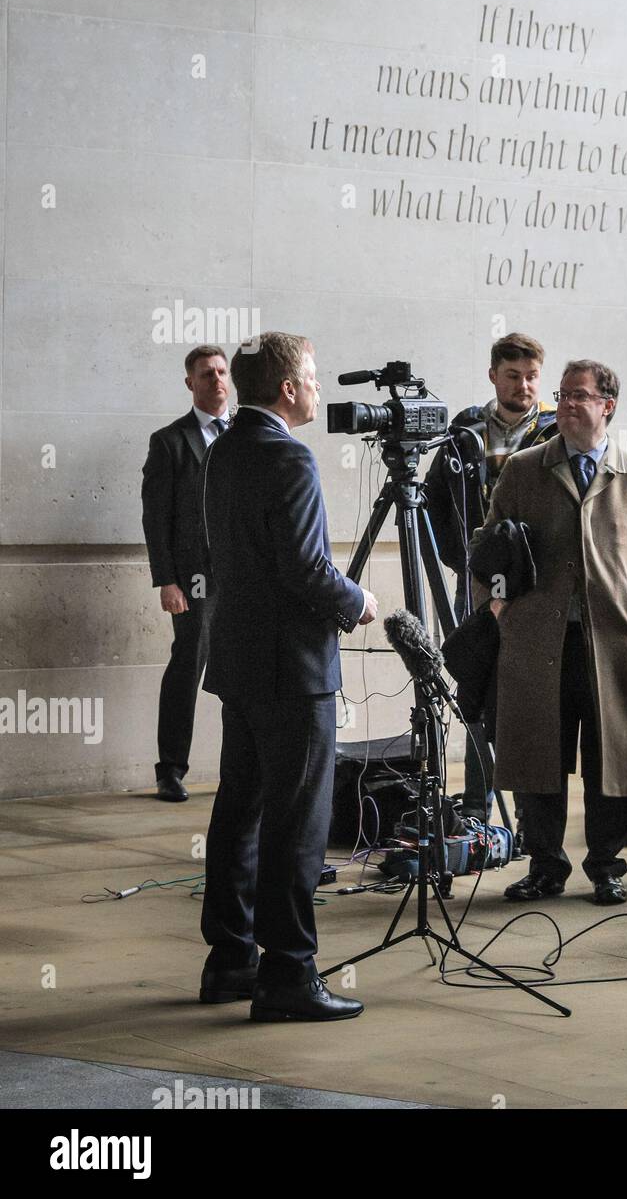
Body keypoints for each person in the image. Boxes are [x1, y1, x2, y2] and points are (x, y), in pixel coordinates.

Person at [199, 332, 378, 1022]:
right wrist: (357, 602)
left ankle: (230, 958)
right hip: (290, 670)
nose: (317, 386)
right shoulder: (289, 457)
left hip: (239, 663)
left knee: (239, 812)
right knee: (298, 824)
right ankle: (289, 974)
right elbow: (304, 568)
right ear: (288, 390)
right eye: (311, 375)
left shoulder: (224, 450)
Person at [476, 359, 627, 906]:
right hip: (538, 642)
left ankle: (606, 866)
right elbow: (487, 549)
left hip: (613, 642)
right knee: (537, 754)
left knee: (613, 758)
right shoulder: (522, 469)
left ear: (607, 405)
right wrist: (501, 610)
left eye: (577, 395)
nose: (563, 403)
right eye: (561, 395)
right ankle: (544, 865)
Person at [424, 331, 557, 822]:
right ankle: (478, 805)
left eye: (531, 377)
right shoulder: (464, 431)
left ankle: (528, 817)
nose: (523, 386)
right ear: (493, 376)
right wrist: (459, 559)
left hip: (534, 584)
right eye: (513, 376)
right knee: (476, 684)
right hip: (477, 580)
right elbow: (434, 498)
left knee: (526, 697)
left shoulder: (553, 430)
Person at [141, 345, 232, 802]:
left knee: (248, 670)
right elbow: (156, 519)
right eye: (205, 374)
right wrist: (167, 580)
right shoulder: (170, 442)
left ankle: (242, 770)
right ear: (190, 383)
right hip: (195, 581)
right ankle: (170, 769)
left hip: (245, 576)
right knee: (187, 665)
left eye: (221, 371)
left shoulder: (249, 435)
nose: (216, 379)